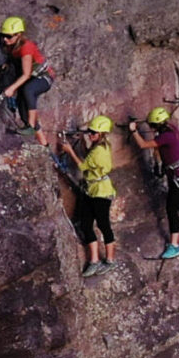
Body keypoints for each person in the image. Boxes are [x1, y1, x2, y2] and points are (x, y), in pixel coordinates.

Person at [128, 106, 179, 259]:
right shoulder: (169, 130)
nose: (151, 128)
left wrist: (133, 131)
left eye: (152, 125)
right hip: (178, 173)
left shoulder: (166, 136)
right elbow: (159, 150)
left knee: (171, 208)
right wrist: (158, 165)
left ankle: (174, 245)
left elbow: (144, 145)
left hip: (177, 176)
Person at [57, 115, 117, 278]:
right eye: (89, 132)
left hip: (101, 193)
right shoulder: (101, 145)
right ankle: (94, 261)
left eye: (93, 133)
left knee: (104, 226)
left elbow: (83, 165)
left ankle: (111, 260)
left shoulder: (99, 152)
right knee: (86, 224)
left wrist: (69, 151)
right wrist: (82, 140)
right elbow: (87, 155)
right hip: (92, 190)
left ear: (101, 134)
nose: (90, 134)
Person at [0, 16, 53, 146]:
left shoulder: (26, 47)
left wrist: (11, 88)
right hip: (32, 79)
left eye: (9, 36)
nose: (5, 39)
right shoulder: (12, 46)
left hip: (44, 77)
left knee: (29, 90)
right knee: (23, 109)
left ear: (18, 35)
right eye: (3, 36)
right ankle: (44, 143)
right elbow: (15, 60)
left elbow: (26, 74)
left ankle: (31, 125)